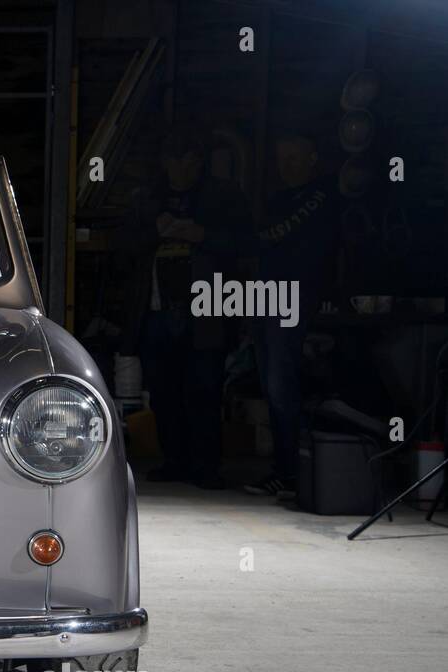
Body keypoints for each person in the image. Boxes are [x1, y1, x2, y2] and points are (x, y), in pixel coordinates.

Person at [126, 127, 254, 489]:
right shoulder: (148, 198)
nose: (182, 167)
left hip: (207, 310)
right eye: (175, 159)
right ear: (165, 162)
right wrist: (155, 230)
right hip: (155, 308)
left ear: (201, 161)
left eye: (190, 160)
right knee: (164, 391)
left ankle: (206, 467)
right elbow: (123, 246)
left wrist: (201, 235)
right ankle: (176, 461)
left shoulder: (224, 195)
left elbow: (247, 244)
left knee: (204, 389)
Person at [242, 134, 338, 498]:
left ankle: (294, 473)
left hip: (294, 302)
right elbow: (261, 245)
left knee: (282, 387)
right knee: (271, 386)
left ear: (313, 156)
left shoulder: (323, 195)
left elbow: (265, 238)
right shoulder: (279, 199)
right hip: (267, 301)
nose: (288, 164)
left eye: (295, 155)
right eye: (283, 156)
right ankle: (286, 472)